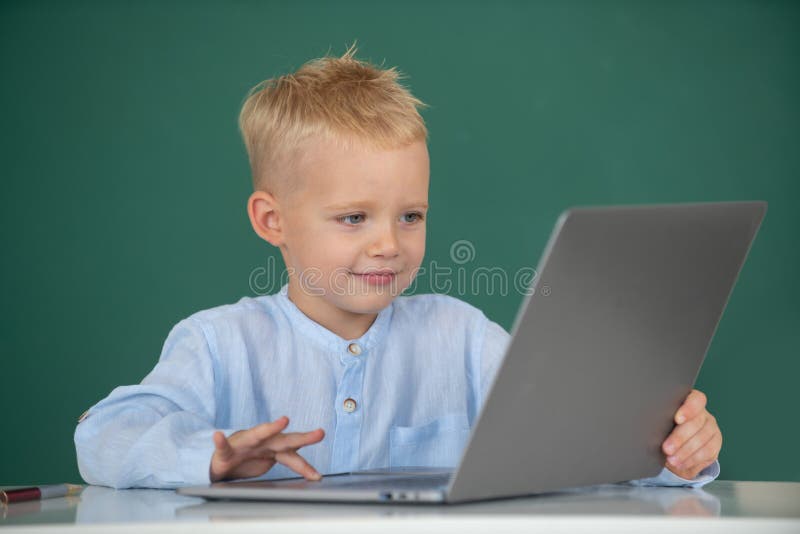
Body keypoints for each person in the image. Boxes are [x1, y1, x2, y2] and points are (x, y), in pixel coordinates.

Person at [74, 44, 722, 489]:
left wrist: (673, 450)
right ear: (272, 221)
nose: (390, 243)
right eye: (354, 218)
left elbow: (573, 439)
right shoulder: (219, 343)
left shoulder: (460, 335)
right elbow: (103, 436)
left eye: (410, 216)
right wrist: (208, 457)